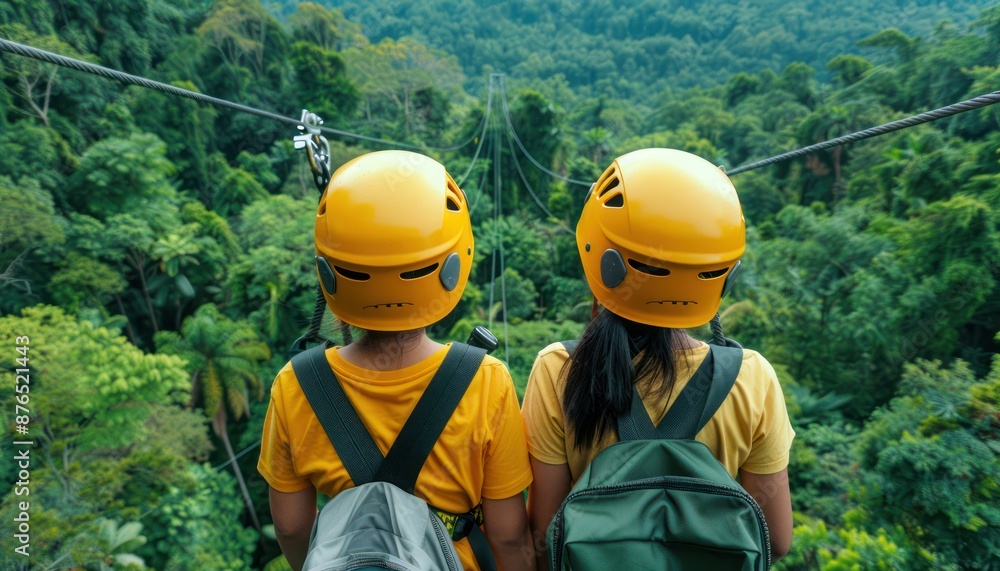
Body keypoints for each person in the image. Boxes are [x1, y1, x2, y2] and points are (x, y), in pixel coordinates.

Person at [258, 150, 535, 571]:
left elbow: (293, 529)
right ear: (451, 265)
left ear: (331, 272)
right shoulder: (485, 381)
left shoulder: (296, 383)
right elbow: (509, 536)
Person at [521, 148, 794, 568]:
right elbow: (775, 540)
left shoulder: (558, 370)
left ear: (603, 261)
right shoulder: (751, 378)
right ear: (723, 274)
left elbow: (544, 532)